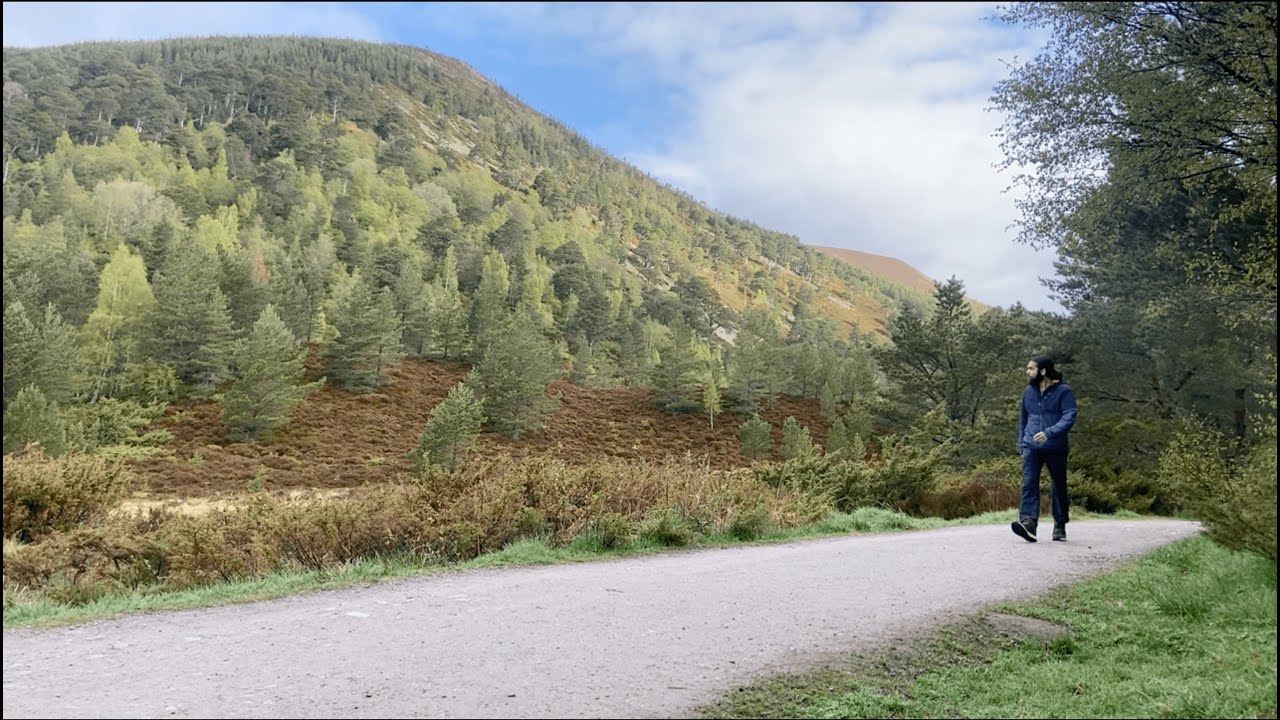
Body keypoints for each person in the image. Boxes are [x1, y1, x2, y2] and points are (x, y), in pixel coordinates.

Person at [1013, 356, 1077, 542]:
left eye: (1030, 368)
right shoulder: (1028, 392)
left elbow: (1069, 416)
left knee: (1058, 485)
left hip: (1055, 446)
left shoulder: (1063, 392)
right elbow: (1023, 419)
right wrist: (1022, 444)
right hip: (1031, 447)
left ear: (1042, 371)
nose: (1027, 372)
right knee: (1029, 483)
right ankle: (1028, 523)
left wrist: (1049, 432)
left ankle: (1060, 524)